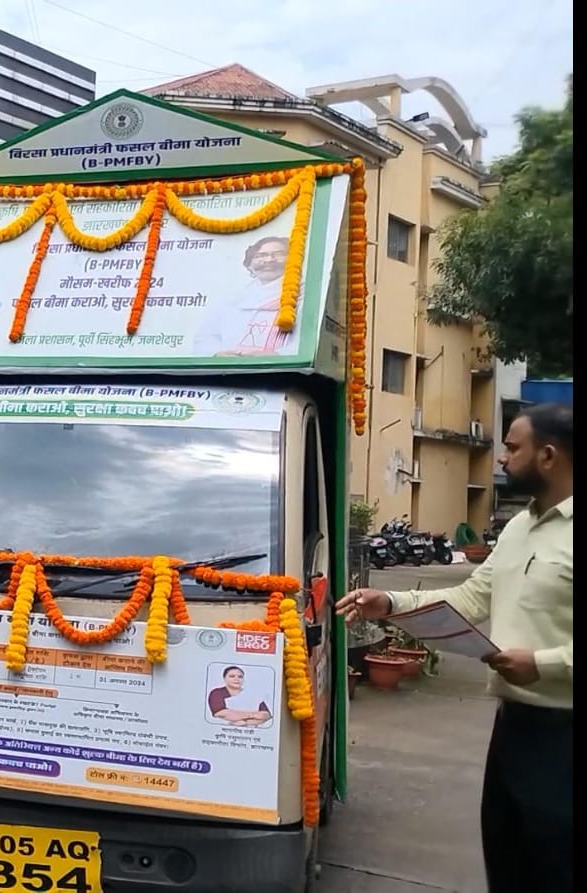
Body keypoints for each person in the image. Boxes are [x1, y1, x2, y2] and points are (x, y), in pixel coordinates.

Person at [338, 402, 572, 893]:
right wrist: (390, 600)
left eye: (512, 448)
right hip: (513, 728)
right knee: (508, 860)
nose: (502, 459)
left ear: (548, 456)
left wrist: (544, 664)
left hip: (564, 734)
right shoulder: (519, 526)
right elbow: (469, 597)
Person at [192, 236, 299, 357]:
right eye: (260, 256)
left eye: (279, 254)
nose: (269, 260)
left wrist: (277, 355)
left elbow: (310, 340)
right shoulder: (232, 298)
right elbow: (206, 337)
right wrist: (217, 354)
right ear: (249, 265)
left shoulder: (304, 295)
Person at [207, 666, 271, 726]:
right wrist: (253, 715)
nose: (236, 679)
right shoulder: (217, 693)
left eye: (240, 677)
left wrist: (245, 722)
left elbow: (266, 715)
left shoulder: (253, 695)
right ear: (224, 678)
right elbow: (220, 713)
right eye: (232, 676)